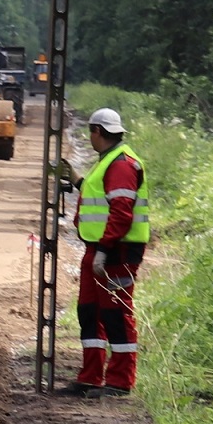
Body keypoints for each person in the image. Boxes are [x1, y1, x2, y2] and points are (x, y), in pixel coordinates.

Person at [70, 108, 147, 394]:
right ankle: (90, 376)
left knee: (116, 313)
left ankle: (120, 381)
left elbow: (121, 212)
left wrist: (103, 249)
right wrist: (77, 181)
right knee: (89, 311)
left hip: (117, 251)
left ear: (97, 132)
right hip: (100, 248)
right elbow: (102, 198)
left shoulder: (122, 164)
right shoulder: (108, 161)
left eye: (90, 131)